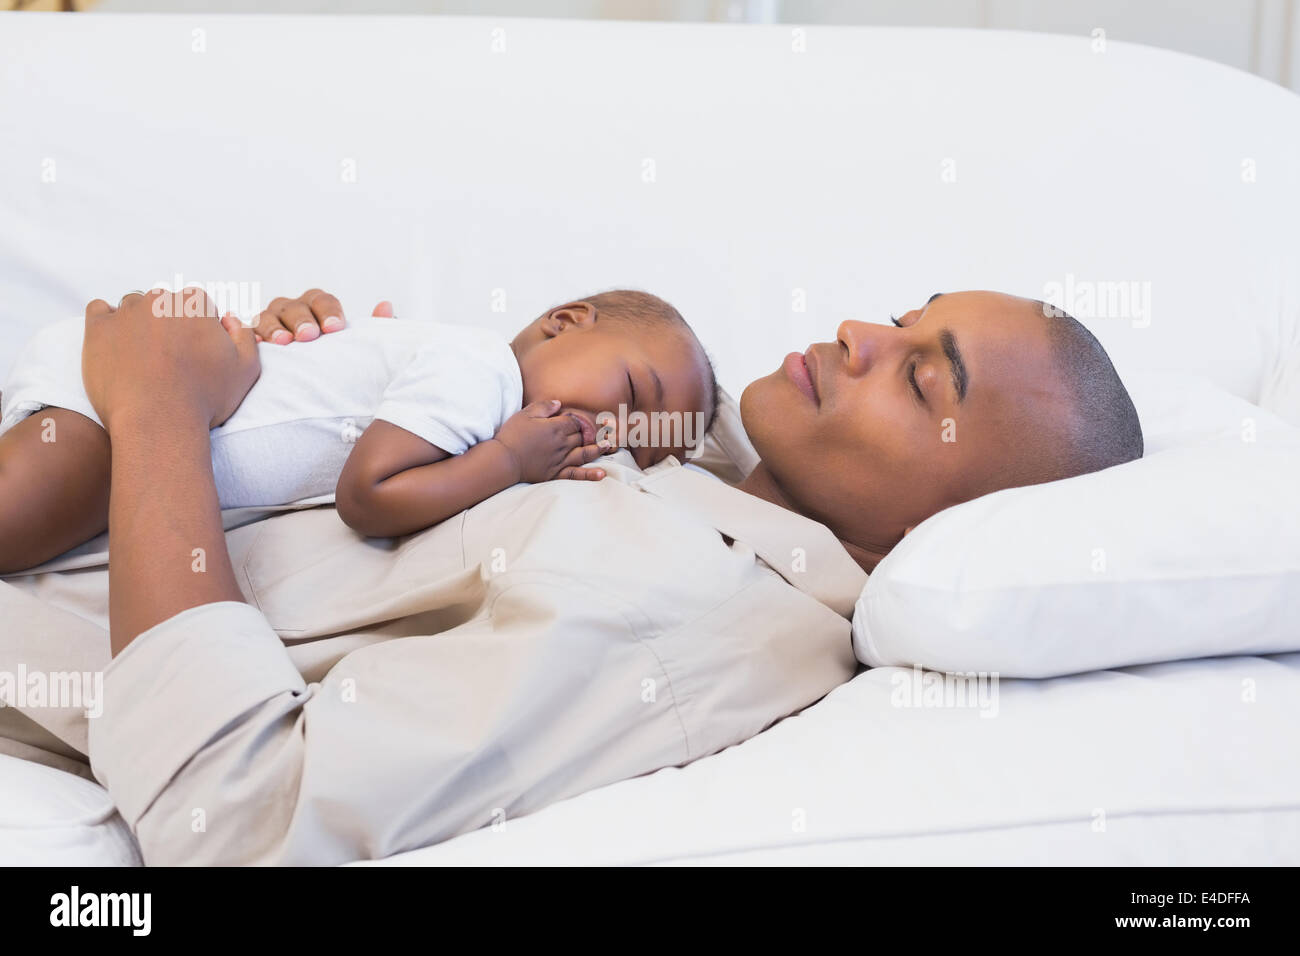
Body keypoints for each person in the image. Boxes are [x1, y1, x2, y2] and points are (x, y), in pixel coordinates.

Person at [0, 286, 1141, 865]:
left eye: (923, 377)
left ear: (945, 531)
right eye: (900, 317)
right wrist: (301, 376)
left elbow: (239, 813)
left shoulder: (687, 613)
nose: (854, 332)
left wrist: (159, 407)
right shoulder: (683, 465)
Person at [0, 289, 717, 572]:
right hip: (114, 403)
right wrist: (508, 460)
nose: (611, 431)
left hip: (141, 414)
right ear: (564, 321)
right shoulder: (480, 369)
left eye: (634, 442)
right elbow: (368, 495)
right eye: (629, 394)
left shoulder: (456, 386)